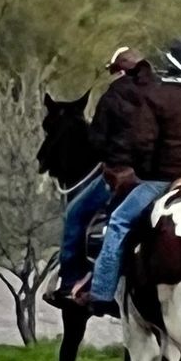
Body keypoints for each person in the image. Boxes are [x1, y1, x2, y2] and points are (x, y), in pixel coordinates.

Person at [85, 40, 181, 315]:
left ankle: (101, 293)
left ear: (171, 66)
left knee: (118, 222)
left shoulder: (157, 97)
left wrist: (144, 171)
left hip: (166, 179)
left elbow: (143, 143)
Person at [45, 47, 150, 310]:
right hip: (159, 174)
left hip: (123, 173)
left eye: (114, 71)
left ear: (122, 71)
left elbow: (97, 141)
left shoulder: (113, 97)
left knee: (75, 214)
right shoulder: (162, 93)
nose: (113, 77)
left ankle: (70, 282)